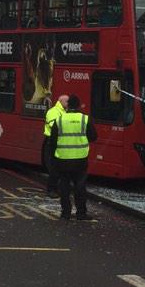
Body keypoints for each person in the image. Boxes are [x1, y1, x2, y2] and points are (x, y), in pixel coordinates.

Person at [50, 93, 98, 221]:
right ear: (78, 106)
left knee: (64, 186)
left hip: (63, 160)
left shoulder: (59, 120)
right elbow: (93, 137)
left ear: (68, 106)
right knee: (80, 186)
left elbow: (52, 141)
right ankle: (81, 213)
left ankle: (66, 213)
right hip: (80, 160)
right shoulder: (85, 119)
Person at [43, 93, 68, 196]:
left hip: (60, 142)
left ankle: (57, 189)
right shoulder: (53, 111)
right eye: (67, 101)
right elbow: (54, 126)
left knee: (59, 168)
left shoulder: (64, 112)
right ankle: (51, 190)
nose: (68, 103)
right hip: (52, 141)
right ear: (60, 101)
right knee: (54, 168)